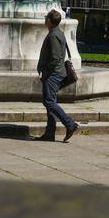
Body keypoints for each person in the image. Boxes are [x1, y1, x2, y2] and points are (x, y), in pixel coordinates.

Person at [35, 9, 79, 143]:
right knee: (50, 102)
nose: (44, 20)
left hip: (53, 74)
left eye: (46, 18)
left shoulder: (53, 35)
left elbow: (54, 57)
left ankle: (70, 124)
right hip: (56, 72)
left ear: (49, 21)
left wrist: (46, 71)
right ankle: (49, 133)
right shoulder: (57, 33)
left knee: (49, 101)